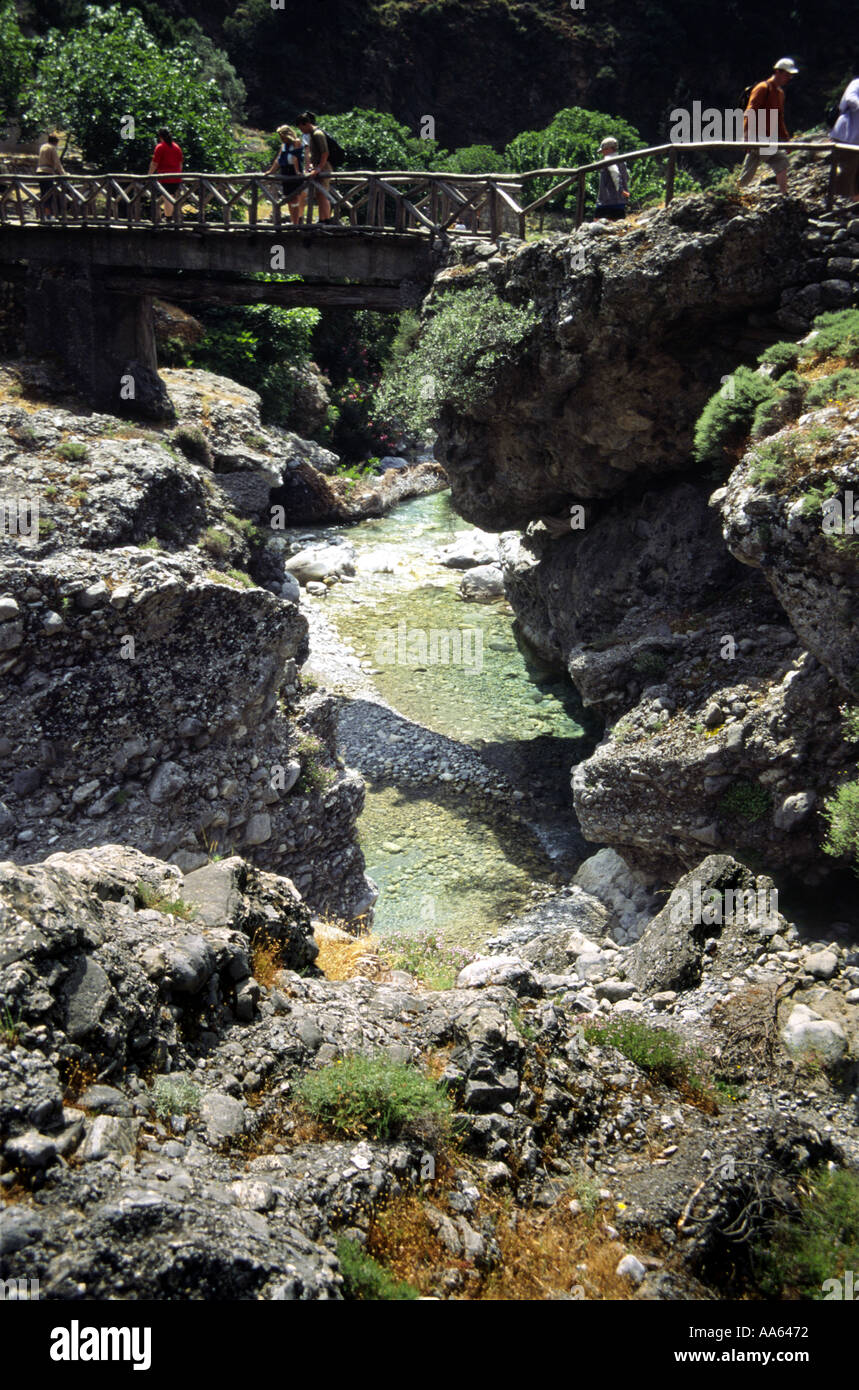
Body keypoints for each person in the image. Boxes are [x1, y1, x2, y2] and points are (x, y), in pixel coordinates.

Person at [738, 58, 798, 194]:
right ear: (777, 72)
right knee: (780, 159)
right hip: (756, 136)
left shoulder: (780, 94)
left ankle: (736, 190)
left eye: (790, 75)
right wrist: (746, 135)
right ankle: (784, 195)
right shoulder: (762, 88)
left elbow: (779, 118)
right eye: (787, 74)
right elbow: (750, 111)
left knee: (750, 166)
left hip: (766, 136)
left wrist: (786, 140)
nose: (789, 78)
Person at [264, 124, 307, 225]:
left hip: (294, 171)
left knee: (295, 197)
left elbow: (295, 157)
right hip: (285, 171)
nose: (282, 139)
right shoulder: (283, 146)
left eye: (283, 137)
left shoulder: (296, 142)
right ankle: (293, 221)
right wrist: (271, 171)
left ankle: (296, 222)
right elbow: (278, 159)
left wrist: (297, 171)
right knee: (288, 198)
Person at [298, 112, 333, 224]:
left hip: (324, 167)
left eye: (301, 127)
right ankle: (322, 220)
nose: (301, 131)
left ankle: (327, 220)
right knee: (319, 194)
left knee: (323, 194)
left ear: (307, 123)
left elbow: (325, 153)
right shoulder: (312, 134)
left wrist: (319, 168)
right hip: (319, 166)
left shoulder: (318, 134)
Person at [831, 68, 859, 202]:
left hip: (855, 138)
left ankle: (853, 201)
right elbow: (851, 98)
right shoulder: (856, 83)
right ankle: (841, 201)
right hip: (847, 135)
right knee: (848, 168)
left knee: (855, 170)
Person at [148, 128, 183, 223]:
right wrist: (179, 174)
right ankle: (169, 216)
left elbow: (154, 163)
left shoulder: (160, 147)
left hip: (164, 176)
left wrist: (149, 174)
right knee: (170, 196)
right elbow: (180, 163)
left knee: (167, 197)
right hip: (176, 176)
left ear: (160, 137)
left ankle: (168, 218)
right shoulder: (176, 147)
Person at [594, 136, 629, 219]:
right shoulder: (622, 160)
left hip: (607, 201)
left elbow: (615, 173)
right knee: (619, 225)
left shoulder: (608, 159)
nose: (603, 153)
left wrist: (620, 189)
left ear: (609, 149)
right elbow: (627, 177)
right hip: (620, 201)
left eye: (603, 150)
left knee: (597, 224)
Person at [35, 132, 65, 220]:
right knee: (49, 195)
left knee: (43, 193)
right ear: (56, 142)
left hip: (39, 171)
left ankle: (42, 215)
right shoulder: (52, 148)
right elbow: (57, 163)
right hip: (47, 172)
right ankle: (48, 216)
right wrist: (63, 174)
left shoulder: (43, 146)